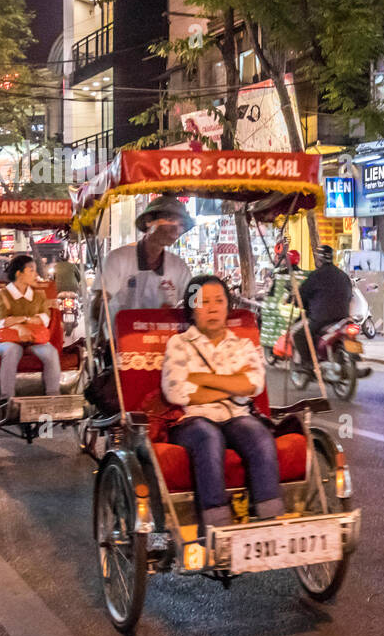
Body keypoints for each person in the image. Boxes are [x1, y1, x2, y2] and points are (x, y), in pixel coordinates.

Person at [162, 274, 281, 533]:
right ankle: (217, 526)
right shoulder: (179, 344)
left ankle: (270, 521)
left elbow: (253, 384)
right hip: (193, 420)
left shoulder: (243, 344)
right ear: (192, 310)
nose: (213, 307)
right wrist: (230, 387)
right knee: (209, 437)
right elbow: (177, 391)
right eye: (204, 302)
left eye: (219, 300)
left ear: (228, 306)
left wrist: (203, 379)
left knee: (259, 435)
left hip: (237, 417)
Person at [92, 194, 193, 325]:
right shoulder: (117, 259)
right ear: (148, 222)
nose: (176, 229)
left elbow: (196, 302)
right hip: (121, 341)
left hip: (165, 341)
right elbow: (98, 307)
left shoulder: (179, 267)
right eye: (170, 220)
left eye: (181, 224)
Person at [0, 254, 60, 408]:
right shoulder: (1, 295)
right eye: (31, 270)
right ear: (19, 274)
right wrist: (25, 323)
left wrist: (20, 320)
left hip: (33, 338)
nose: (36, 274)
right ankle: (7, 399)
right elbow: (3, 321)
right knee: (12, 350)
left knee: (51, 352)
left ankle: (53, 398)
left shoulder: (38, 296)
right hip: (4, 339)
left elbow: (44, 319)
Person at [290, 244, 352, 369]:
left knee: (299, 335)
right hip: (342, 317)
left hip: (321, 318)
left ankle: (308, 363)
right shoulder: (343, 276)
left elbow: (303, 294)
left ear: (319, 259)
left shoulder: (315, 276)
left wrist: (296, 301)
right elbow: (350, 296)